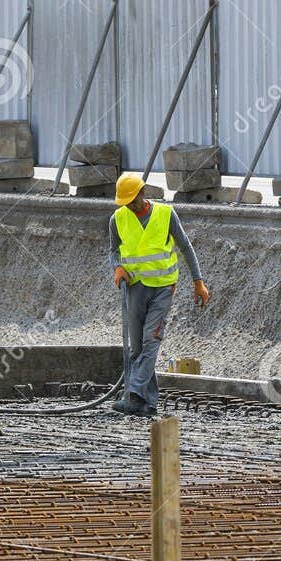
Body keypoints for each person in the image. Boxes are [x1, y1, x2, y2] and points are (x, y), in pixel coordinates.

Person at [108, 174, 210, 416]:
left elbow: (185, 246)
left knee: (151, 340)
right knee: (137, 347)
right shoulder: (117, 219)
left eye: (132, 200)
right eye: (126, 203)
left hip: (163, 287)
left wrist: (198, 281)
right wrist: (117, 268)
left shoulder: (165, 214)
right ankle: (148, 403)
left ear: (143, 193)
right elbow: (113, 251)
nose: (130, 206)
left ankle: (133, 394)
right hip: (135, 287)